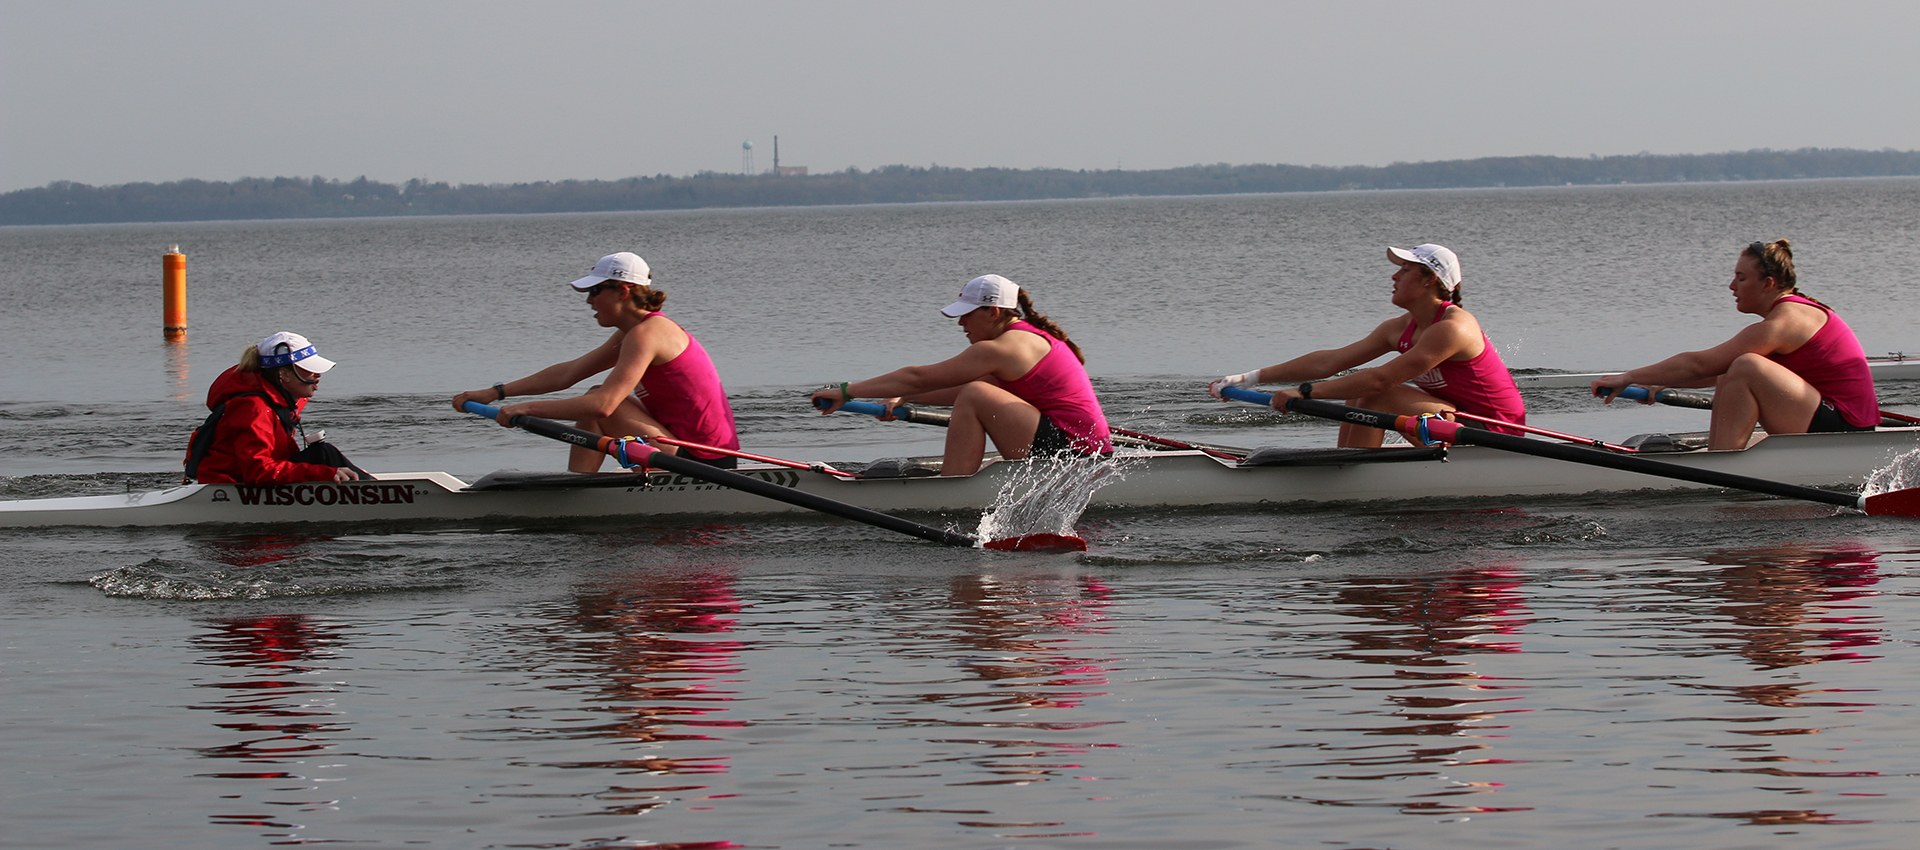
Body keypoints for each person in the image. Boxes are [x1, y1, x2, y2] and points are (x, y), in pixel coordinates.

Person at [1208, 243, 1526, 447]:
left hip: (1498, 435)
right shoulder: (1400, 328)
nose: (1394, 276)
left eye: (1404, 270)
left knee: (1378, 391)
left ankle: (1356, 472)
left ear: (1429, 279)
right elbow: (1328, 363)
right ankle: (1349, 463)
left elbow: (1381, 379)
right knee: (1363, 391)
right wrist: (1249, 378)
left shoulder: (1454, 328)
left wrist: (1303, 392)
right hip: (1453, 423)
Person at [452, 252, 740, 471]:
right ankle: (578, 485)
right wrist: (495, 393)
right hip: (680, 448)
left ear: (623, 292)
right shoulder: (633, 332)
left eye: (594, 291)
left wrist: (527, 409)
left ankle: (578, 494)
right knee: (593, 397)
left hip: (704, 462)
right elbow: (568, 373)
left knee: (598, 403)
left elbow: (604, 407)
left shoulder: (648, 335)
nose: (589, 301)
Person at [810, 274, 1111, 476]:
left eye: (966, 314)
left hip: (1073, 457)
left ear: (992, 312)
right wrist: (906, 397)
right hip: (1081, 451)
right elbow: (950, 387)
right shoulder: (1027, 338)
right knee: (976, 390)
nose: (960, 323)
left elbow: (920, 376)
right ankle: (957, 481)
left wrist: (847, 392)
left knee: (974, 394)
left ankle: (952, 490)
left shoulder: (1003, 348)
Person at [1591, 240, 1878, 450]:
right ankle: (1721, 459)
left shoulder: (1786, 321)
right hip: (1830, 420)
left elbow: (1699, 364)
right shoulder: (1791, 314)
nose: (1732, 286)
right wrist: (1658, 384)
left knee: (1745, 365)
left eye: (1741, 278)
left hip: (1847, 433)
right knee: (1739, 366)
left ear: (1767, 284)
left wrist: (1628, 377)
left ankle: (1720, 465)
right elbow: (1715, 374)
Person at [185, 331, 366, 484]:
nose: (317, 375)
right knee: (324, 454)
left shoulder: (282, 398)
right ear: (284, 374)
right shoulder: (252, 408)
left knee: (323, 453)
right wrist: (325, 473)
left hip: (253, 478)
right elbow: (258, 471)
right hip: (231, 485)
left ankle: (365, 483)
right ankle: (372, 490)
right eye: (309, 369)